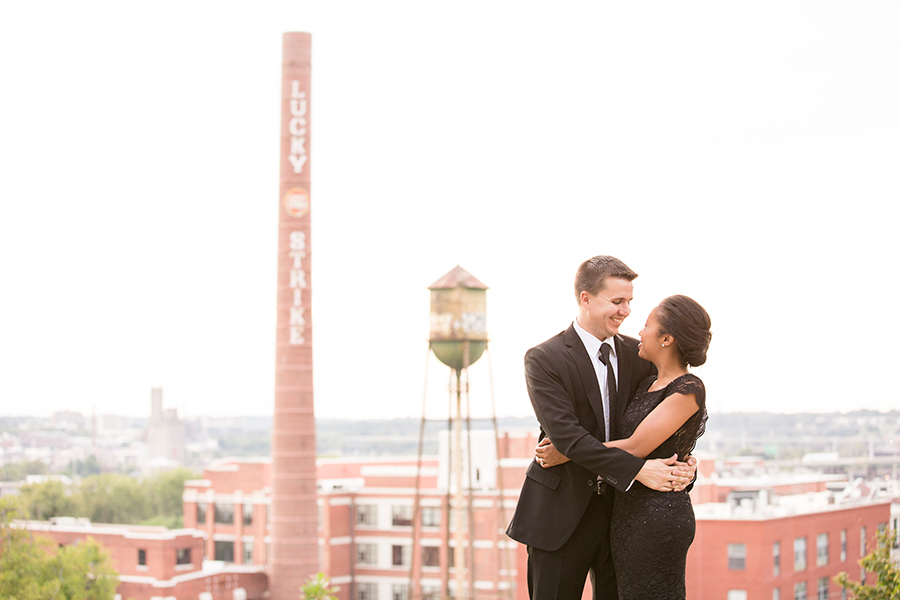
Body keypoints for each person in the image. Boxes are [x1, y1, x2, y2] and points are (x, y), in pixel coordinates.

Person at [505, 256, 697, 600]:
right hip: (559, 517)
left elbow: (658, 422)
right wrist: (638, 470)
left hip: (622, 519)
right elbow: (567, 438)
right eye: (617, 301)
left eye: (629, 302)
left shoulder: (638, 356)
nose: (626, 312)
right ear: (586, 298)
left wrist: (682, 466)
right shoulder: (544, 359)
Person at [536, 294, 712, 600]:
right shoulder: (646, 381)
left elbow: (636, 446)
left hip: (657, 518)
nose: (638, 330)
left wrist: (566, 452)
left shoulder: (687, 388)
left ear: (667, 338)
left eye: (646, 325)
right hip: (622, 513)